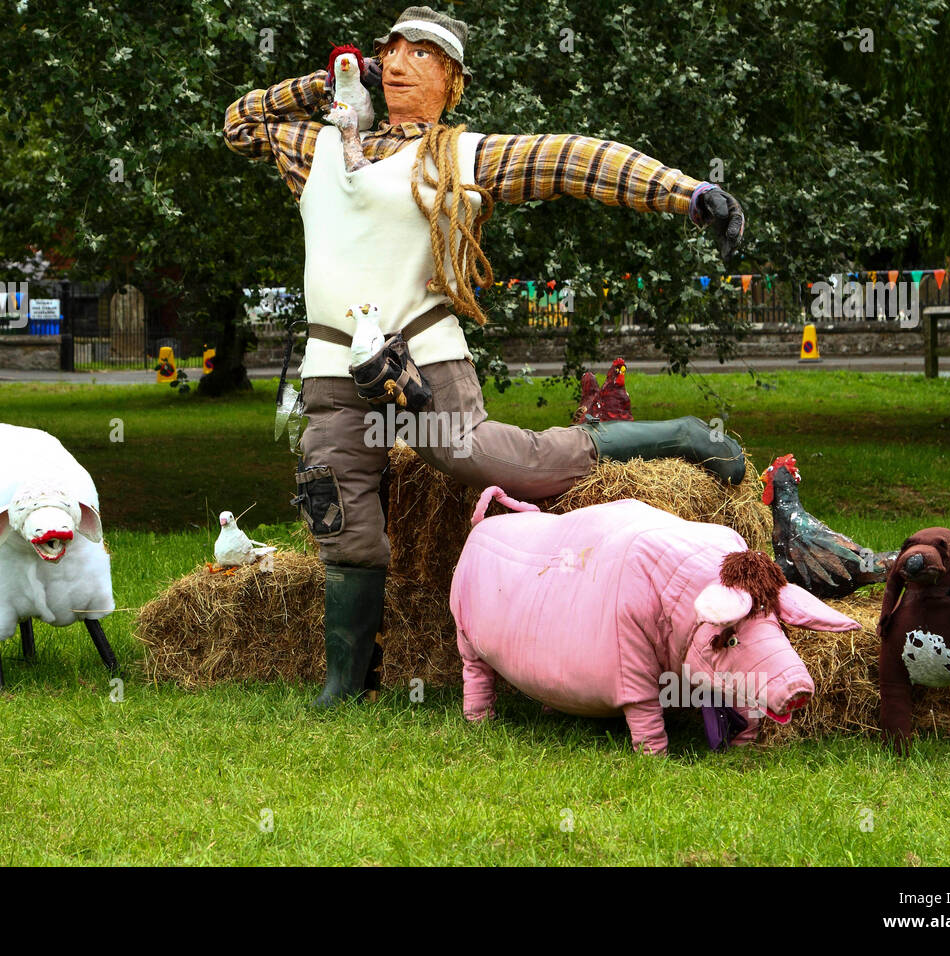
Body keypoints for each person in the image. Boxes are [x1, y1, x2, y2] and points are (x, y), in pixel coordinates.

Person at [224, 6, 748, 708]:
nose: (402, 63)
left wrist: (686, 192)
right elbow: (239, 124)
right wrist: (330, 83)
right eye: (392, 52)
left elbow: (576, 160)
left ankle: (676, 438)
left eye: (423, 55)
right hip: (332, 370)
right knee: (337, 511)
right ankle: (344, 686)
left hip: (419, 358)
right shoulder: (316, 150)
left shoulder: (462, 156)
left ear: (454, 82)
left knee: (482, 459)